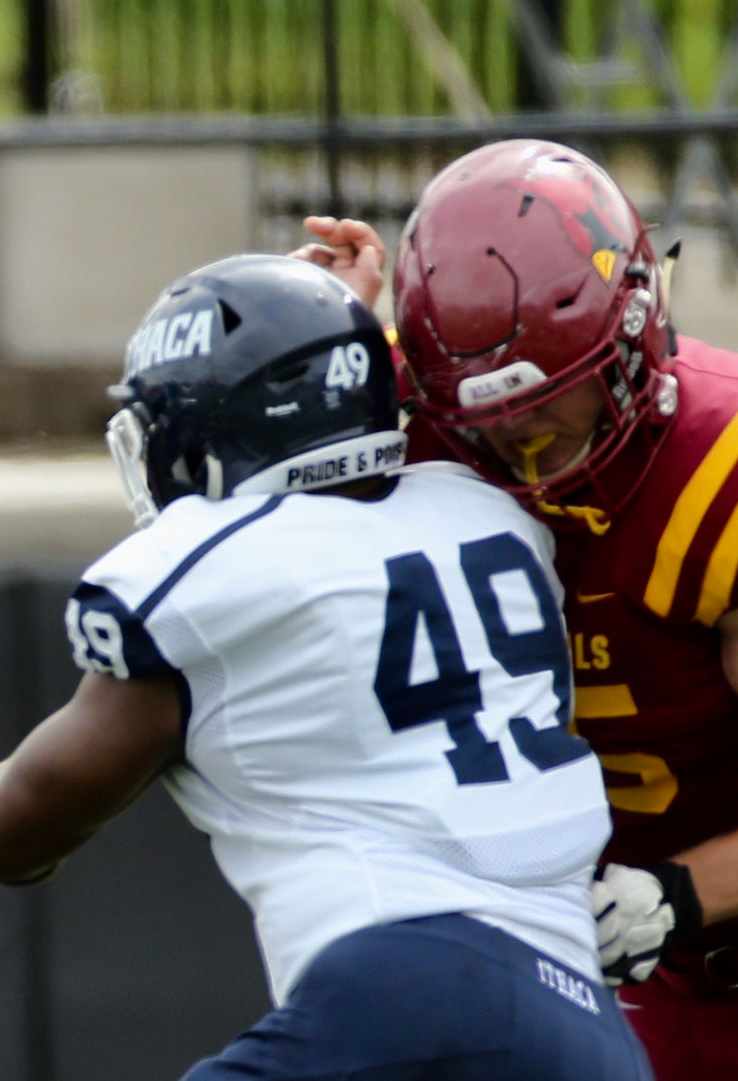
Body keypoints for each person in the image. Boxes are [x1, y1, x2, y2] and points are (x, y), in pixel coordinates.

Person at [0, 253, 652, 1080]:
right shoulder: (491, 516)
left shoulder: (207, 572)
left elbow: (14, 830)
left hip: (408, 988)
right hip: (591, 1030)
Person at [301, 139, 738, 1081]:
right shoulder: (421, 416)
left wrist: (683, 893)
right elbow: (234, 526)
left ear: (632, 332)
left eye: (544, 402)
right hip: (599, 964)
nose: (514, 439)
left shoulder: (719, 467)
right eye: (482, 419)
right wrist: (316, 336)